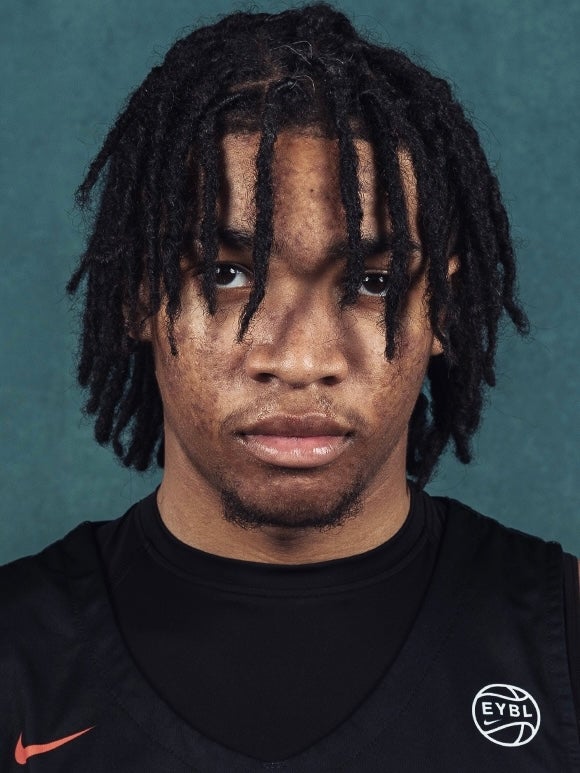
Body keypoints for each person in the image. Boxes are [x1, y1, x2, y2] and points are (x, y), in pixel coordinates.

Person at [1, 3, 578, 771]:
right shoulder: (16, 655)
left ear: (441, 308)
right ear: (140, 294)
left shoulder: (562, 638)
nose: (301, 359)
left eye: (372, 282)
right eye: (226, 274)